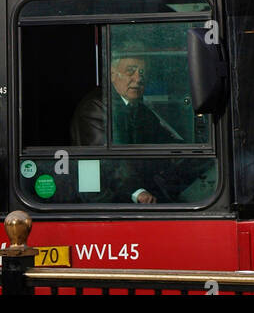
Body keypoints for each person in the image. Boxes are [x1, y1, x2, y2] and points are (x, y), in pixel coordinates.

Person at [70, 51, 183, 204]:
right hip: (105, 200)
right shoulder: (95, 107)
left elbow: (164, 142)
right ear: (112, 75)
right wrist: (138, 192)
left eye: (142, 72)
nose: (138, 79)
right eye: (130, 71)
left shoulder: (141, 110)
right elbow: (109, 160)